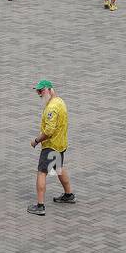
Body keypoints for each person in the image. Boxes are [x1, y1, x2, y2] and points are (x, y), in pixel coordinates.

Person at [28, 80, 74, 215]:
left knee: (42, 172)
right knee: (58, 168)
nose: (39, 94)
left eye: (41, 91)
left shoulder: (51, 108)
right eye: (37, 91)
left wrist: (36, 141)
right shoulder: (60, 101)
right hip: (60, 144)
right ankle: (68, 194)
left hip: (51, 146)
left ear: (49, 89)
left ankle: (40, 205)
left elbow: (49, 131)